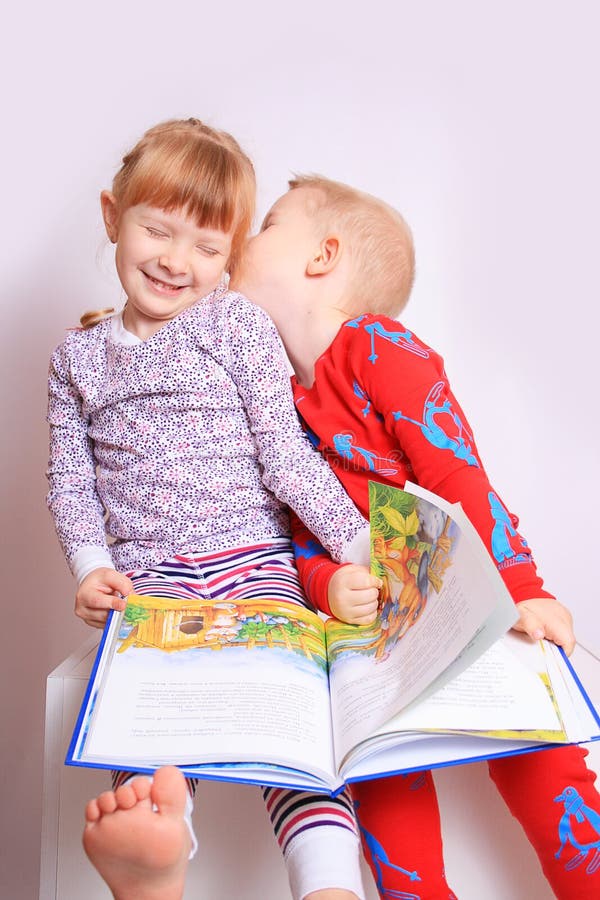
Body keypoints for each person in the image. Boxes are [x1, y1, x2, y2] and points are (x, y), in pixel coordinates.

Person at [237, 174, 600, 899]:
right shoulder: (274, 402)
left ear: (323, 255)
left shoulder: (376, 346)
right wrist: (324, 586)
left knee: (539, 765)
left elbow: (456, 470)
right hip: (375, 637)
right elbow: (293, 538)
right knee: (383, 786)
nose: (246, 238)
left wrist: (522, 587)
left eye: (267, 224)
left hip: (468, 590)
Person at [46, 121, 371, 900]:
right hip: (149, 576)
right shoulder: (76, 358)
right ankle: (158, 841)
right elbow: (70, 482)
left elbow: (286, 456)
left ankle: (327, 882)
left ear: (230, 258)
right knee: (150, 705)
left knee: (290, 712)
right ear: (111, 215)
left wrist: (356, 541)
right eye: (156, 229)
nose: (174, 260)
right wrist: (91, 568)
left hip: (251, 564)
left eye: (206, 246)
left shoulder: (234, 325)